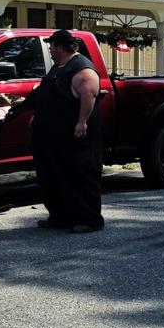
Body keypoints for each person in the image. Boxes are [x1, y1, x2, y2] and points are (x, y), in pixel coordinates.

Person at [22, 30, 105, 234]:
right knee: (53, 175)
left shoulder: (81, 68)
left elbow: (89, 94)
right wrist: (37, 115)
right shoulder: (59, 67)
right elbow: (47, 95)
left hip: (75, 136)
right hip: (53, 136)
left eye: (51, 46)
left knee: (80, 175)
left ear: (60, 47)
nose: (50, 49)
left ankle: (89, 220)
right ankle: (60, 216)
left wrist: (82, 122)